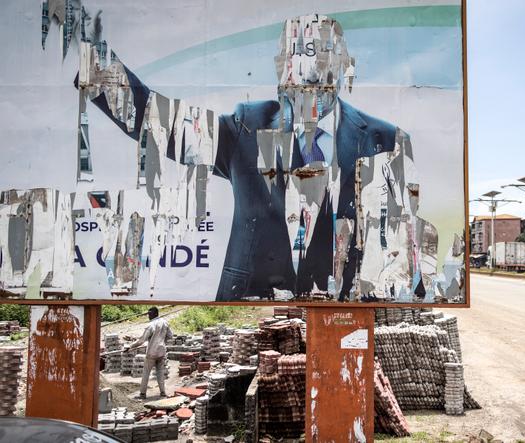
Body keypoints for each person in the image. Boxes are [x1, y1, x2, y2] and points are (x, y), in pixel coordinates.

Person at [77, 14, 419, 302]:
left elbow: (406, 254)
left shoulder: (385, 141)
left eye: (323, 59)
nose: (309, 74)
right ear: (278, 68)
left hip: (345, 319)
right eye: (295, 61)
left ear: (345, 67)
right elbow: (160, 123)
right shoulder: (246, 128)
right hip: (250, 314)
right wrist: (90, 53)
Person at [129, 307, 173, 399]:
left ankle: (142, 394)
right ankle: (163, 392)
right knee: (160, 372)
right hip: (161, 352)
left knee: (146, 373)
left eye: (150, 314)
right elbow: (170, 336)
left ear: (155, 314)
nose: (148, 316)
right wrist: (161, 341)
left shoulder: (151, 325)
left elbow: (141, 340)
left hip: (152, 353)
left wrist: (130, 346)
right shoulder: (164, 322)